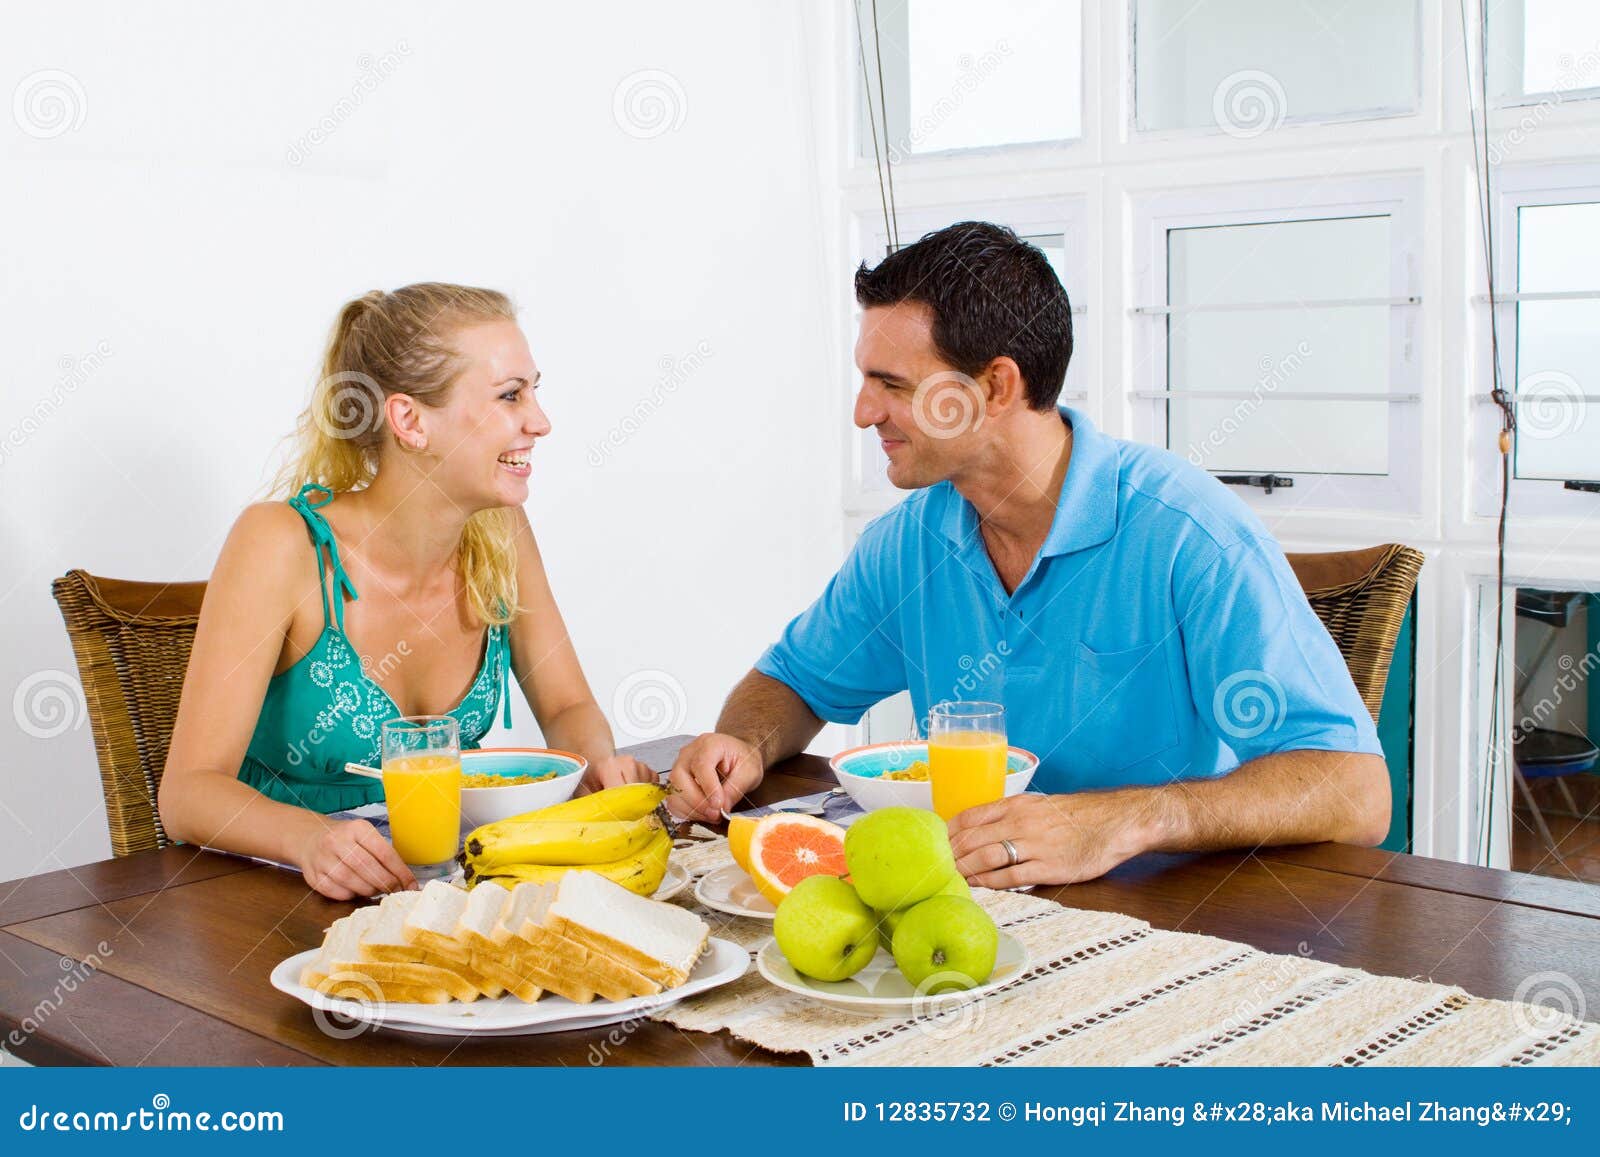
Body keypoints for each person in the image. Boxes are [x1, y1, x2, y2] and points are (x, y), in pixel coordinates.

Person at [668, 222, 1389, 887]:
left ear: (995, 387)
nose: (863, 411)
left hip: (1169, 924)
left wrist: (1126, 819)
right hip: (974, 913)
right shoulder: (909, 542)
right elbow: (793, 682)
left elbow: (1354, 792)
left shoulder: (1191, 536)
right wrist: (742, 742)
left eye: (891, 384)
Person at [159, 283, 655, 900]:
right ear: (410, 421)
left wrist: (595, 764)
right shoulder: (280, 544)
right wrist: (310, 839)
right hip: (272, 900)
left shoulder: (500, 532)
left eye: (534, 390)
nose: (540, 421)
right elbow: (186, 794)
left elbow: (566, 708)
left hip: (440, 890)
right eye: (509, 396)